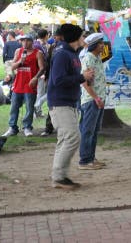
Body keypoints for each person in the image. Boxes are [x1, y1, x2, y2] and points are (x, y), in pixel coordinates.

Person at [47, 24, 95, 189]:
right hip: (60, 103)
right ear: (75, 37)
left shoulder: (72, 54)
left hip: (70, 102)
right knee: (73, 137)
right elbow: (58, 80)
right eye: (81, 36)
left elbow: (72, 77)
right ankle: (59, 177)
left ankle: (60, 176)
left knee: (65, 139)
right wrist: (82, 77)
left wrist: (85, 77)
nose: (83, 38)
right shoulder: (62, 54)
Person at [2, 34, 44, 137]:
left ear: (32, 41)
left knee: (29, 108)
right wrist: (20, 61)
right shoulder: (18, 51)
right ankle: (12, 128)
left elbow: (42, 68)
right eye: (23, 40)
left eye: (27, 40)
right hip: (18, 85)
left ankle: (27, 127)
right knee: (14, 107)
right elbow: (12, 67)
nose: (24, 43)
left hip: (30, 85)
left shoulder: (38, 53)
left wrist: (35, 77)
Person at [78, 33, 108, 170]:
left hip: (98, 99)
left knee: (94, 131)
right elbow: (85, 82)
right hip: (91, 100)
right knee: (88, 131)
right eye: (100, 43)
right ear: (94, 45)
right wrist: (96, 97)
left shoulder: (97, 58)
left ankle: (91, 158)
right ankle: (84, 161)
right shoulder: (88, 58)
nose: (103, 45)